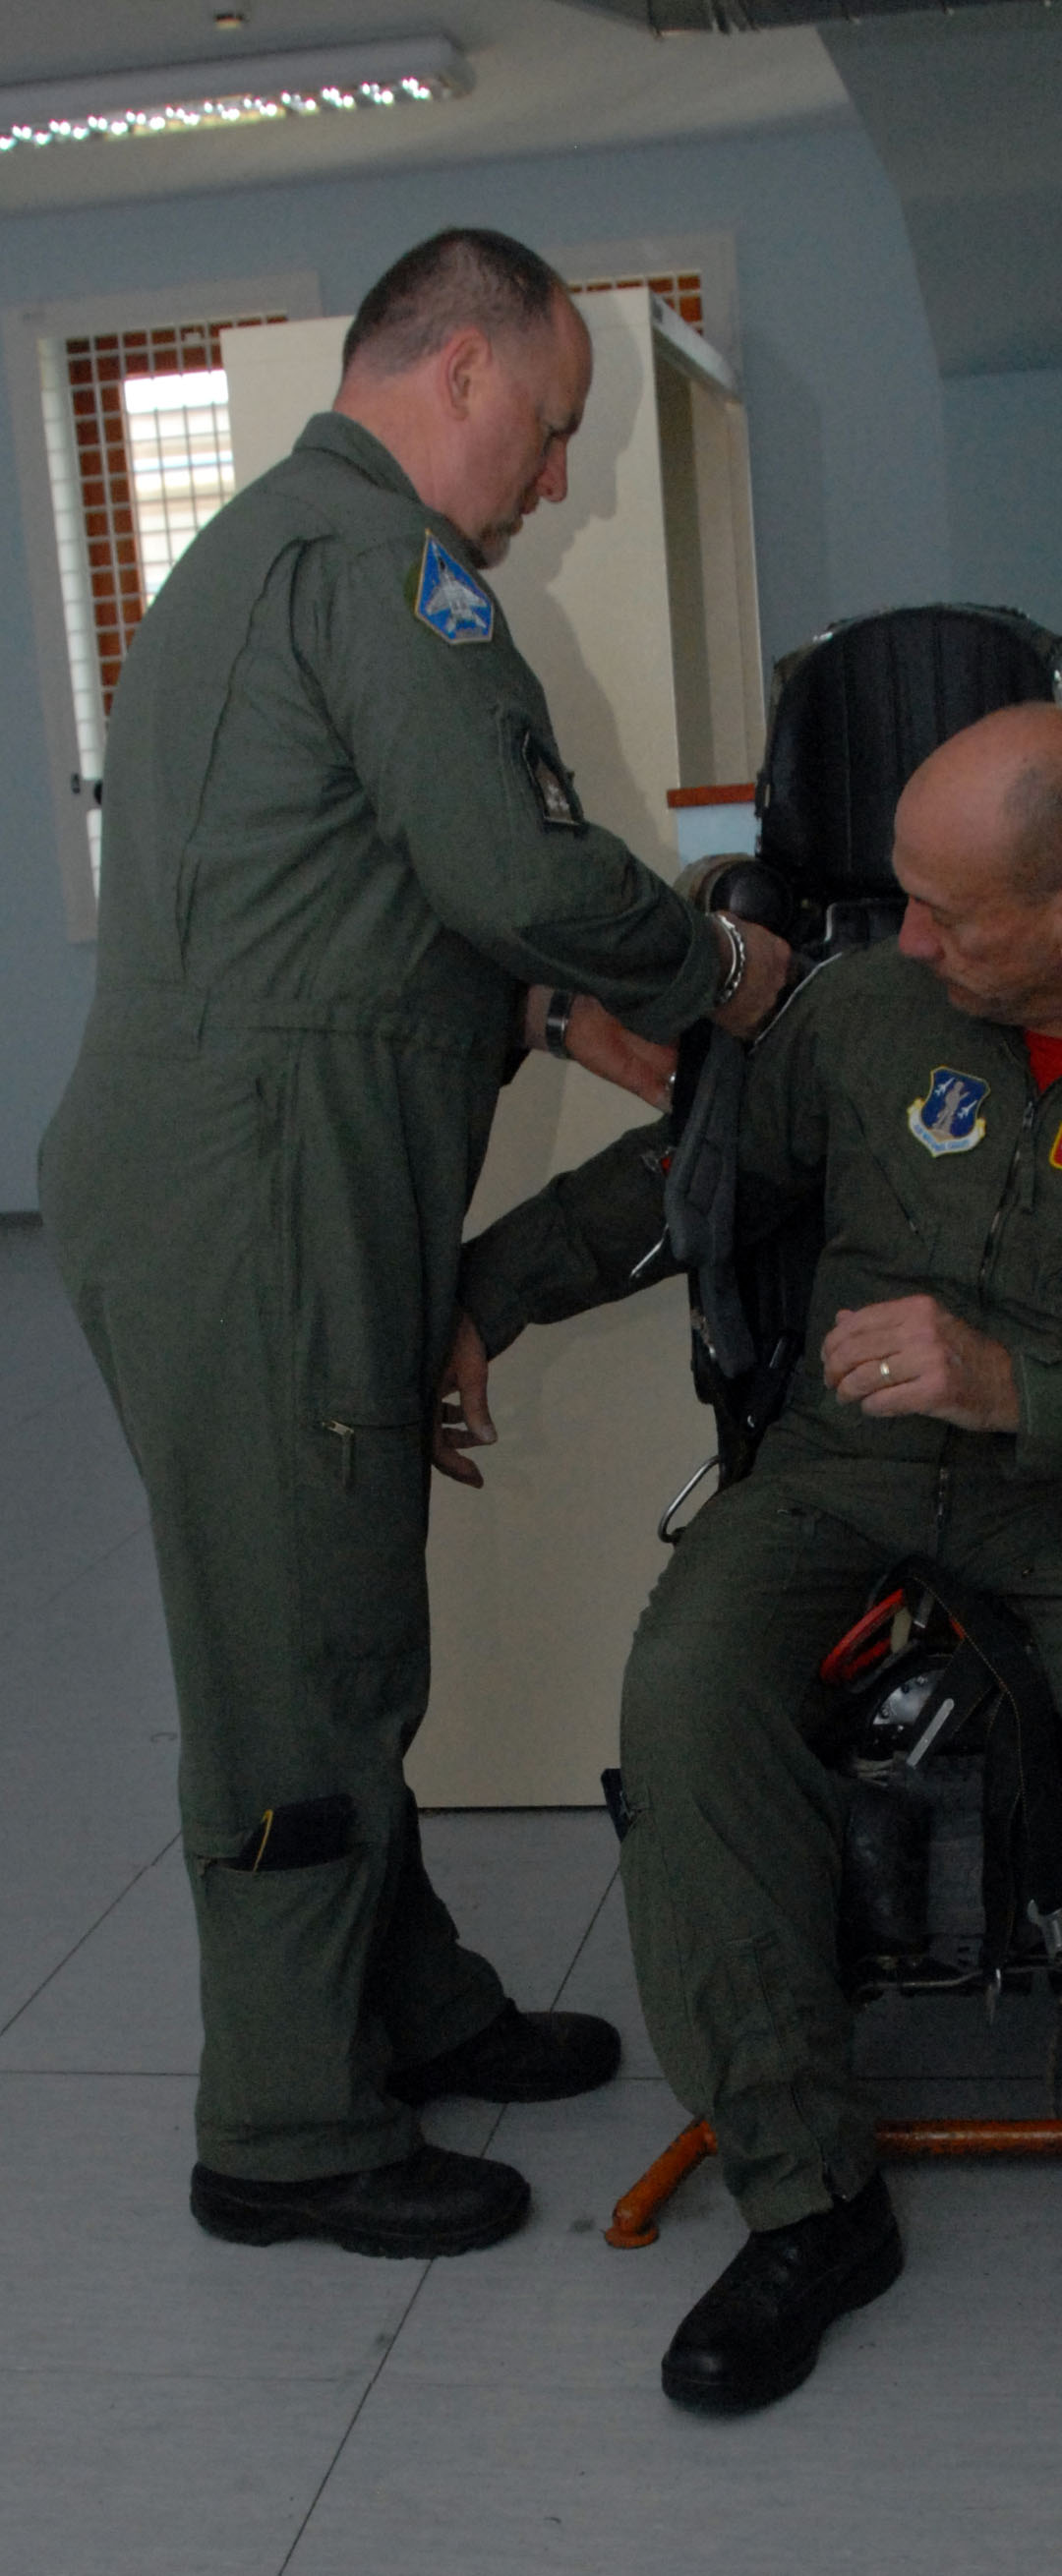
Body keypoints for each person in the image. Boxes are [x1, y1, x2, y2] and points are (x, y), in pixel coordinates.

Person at [452, 701, 1062, 2413]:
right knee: (688, 1683)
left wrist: (1021, 1390)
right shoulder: (868, 1014)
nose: (907, 942)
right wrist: (484, 1292)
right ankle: (803, 2198)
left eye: (948, 913)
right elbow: (691, 1179)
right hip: (846, 1475)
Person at [38, 227, 789, 2263]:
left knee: (339, 1610)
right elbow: (505, 862)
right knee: (298, 1656)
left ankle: (410, 1998)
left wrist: (550, 1011)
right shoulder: (387, 568)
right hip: (261, 1194)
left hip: (255, 1163)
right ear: (457, 368)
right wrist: (722, 974)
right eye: (547, 429)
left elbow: (339, 898)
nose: (553, 478)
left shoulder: (274, 548)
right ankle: (287, 2128)